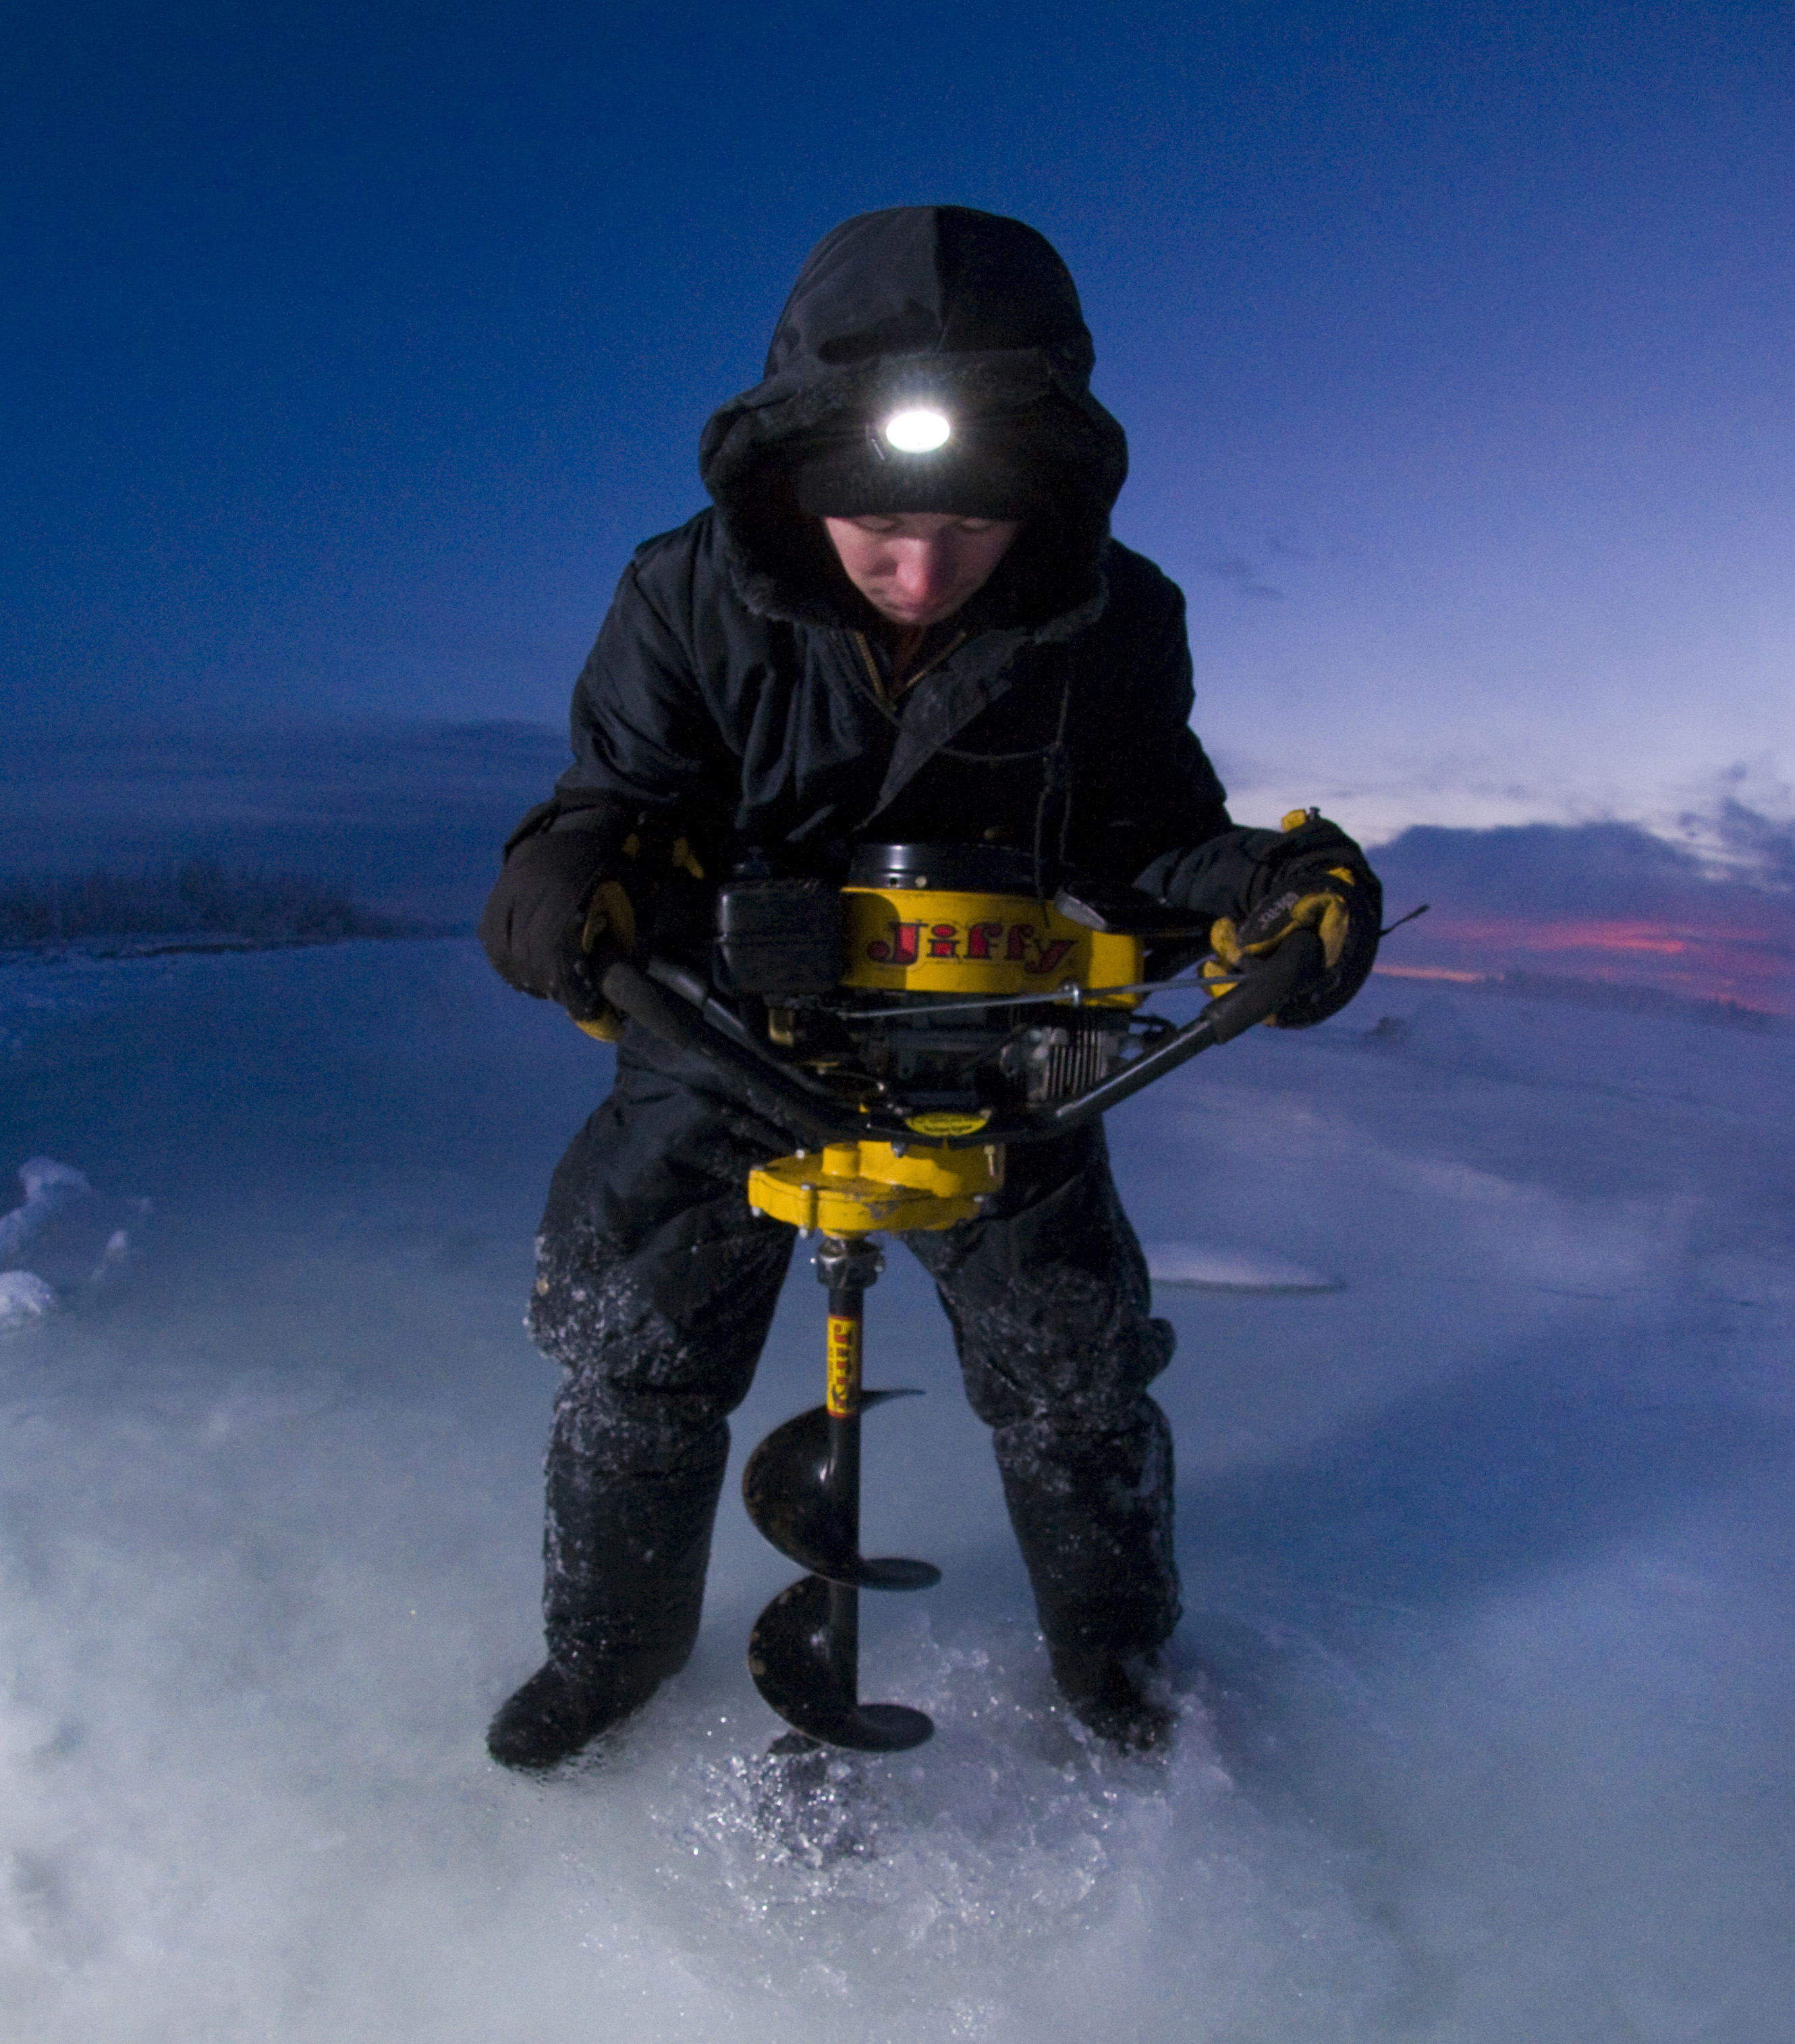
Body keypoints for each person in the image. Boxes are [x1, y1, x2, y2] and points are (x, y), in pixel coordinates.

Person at [478, 205, 1381, 1769]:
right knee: (633, 1349)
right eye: (878, 529)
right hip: (726, 1043)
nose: (919, 570)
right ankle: (607, 1655)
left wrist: (1272, 889)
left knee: (1075, 1378)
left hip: (1004, 1055)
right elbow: (607, 802)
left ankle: (1115, 1672)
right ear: (799, 477)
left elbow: (1151, 837)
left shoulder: (1119, 616)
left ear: (1039, 490)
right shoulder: (680, 593)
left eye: (969, 530)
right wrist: (564, 878)